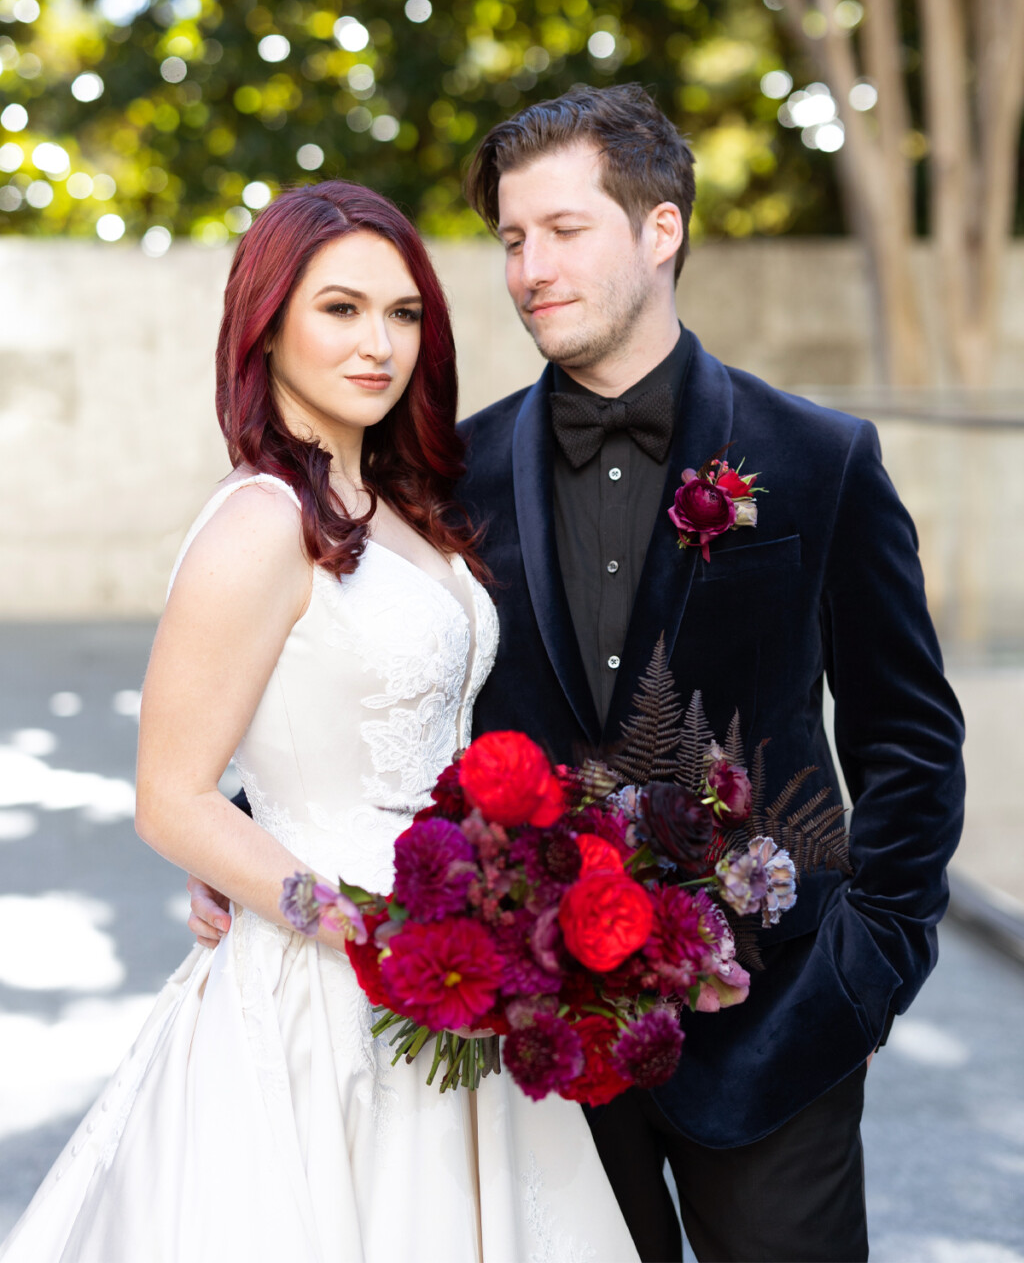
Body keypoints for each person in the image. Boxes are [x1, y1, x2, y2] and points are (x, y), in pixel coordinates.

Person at [188, 86, 966, 1262]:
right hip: (540, 1052)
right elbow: (390, 683)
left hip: (777, 1023)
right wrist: (246, 833)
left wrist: (868, 971)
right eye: (511, 239)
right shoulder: (442, 477)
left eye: (563, 230)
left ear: (660, 231)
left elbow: (907, 738)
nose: (529, 269)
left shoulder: (820, 459)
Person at [0, 181, 639, 1263]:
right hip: (331, 980)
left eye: (403, 313)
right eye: (341, 309)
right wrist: (369, 933)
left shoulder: (397, 506)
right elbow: (171, 798)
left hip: (456, 965)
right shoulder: (259, 521)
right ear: (267, 325)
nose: (378, 344)